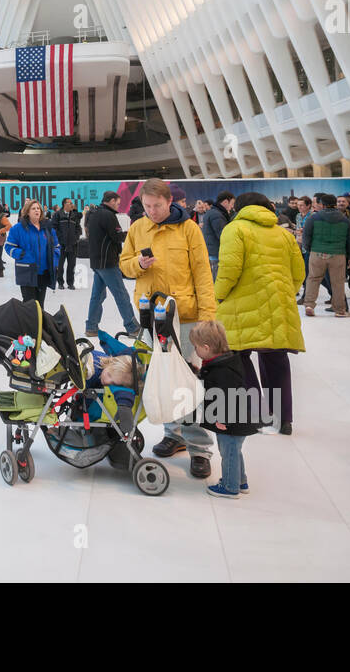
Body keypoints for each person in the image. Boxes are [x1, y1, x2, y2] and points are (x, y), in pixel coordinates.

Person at [120, 178, 216, 478]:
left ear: (169, 201)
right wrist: (139, 264)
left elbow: (203, 272)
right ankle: (172, 435)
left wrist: (207, 315)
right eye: (147, 206)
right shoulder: (137, 228)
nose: (151, 212)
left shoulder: (189, 229)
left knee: (188, 381)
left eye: (157, 206)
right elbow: (123, 265)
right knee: (161, 377)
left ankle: (199, 448)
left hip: (185, 317)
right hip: (151, 316)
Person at [213, 193, 305, 435]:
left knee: (239, 357)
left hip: (241, 306)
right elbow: (299, 273)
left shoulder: (235, 229)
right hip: (278, 304)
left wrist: (218, 296)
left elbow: (229, 271)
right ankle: (284, 419)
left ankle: (258, 414)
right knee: (276, 359)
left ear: (239, 208)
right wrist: (284, 293)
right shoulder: (284, 234)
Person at [192, 320, 264, 498]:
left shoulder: (223, 371)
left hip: (231, 422)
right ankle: (241, 481)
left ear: (207, 348)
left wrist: (223, 419)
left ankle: (230, 487)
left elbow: (229, 396)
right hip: (237, 420)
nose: (195, 351)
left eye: (196, 347)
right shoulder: (226, 361)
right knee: (234, 451)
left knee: (228, 452)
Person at [85, 191, 139, 338]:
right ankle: (132, 327)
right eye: (117, 202)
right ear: (111, 200)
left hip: (97, 261)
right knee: (121, 295)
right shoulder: (108, 215)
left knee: (97, 296)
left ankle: (91, 326)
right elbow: (117, 236)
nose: (118, 205)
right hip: (107, 262)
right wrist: (132, 233)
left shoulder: (95, 213)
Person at [299, 194, 350, 317]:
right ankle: (340, 310)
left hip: (317, 253)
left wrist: (310, 250)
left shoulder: (313, 218)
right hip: (338, 255)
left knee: (313, 279)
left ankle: (309, 305)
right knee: (337, 282)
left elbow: (306, 237)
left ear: (322, 204)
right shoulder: (344, 219)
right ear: (335, 204)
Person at [5, 199, 61, 308]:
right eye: (33, 208)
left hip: (44, 272)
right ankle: (29, 325)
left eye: (38, 208)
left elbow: (56, 246)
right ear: (27, 212)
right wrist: (22, 254)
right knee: (29, 305)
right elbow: (9, 246)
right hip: (27, 271)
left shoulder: (47, 228)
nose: (37, 210)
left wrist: (54, 259)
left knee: (40, 304)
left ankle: (39, 325)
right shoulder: (18, 228)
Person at [200, 191, 233, 279]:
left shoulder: (213, 212)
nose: (232, 206)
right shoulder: (216, 214)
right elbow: (223, 235)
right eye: (232, 203)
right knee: (217, 279)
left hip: (212, 251)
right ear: (226, 202)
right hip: (216, 252)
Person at [51, 198, 82, 290]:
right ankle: (60, 282)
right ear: (64, 204)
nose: (72, 205)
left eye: (72, 203)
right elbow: (53, 228)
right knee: (60, 265)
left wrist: (76, 238)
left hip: (72, 245)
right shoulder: (57, 215)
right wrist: (59, 239)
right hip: (61, 245)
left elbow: (78, 228)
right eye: (70, 203)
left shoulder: (74, 215)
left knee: (71, 265)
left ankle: (70, 283)